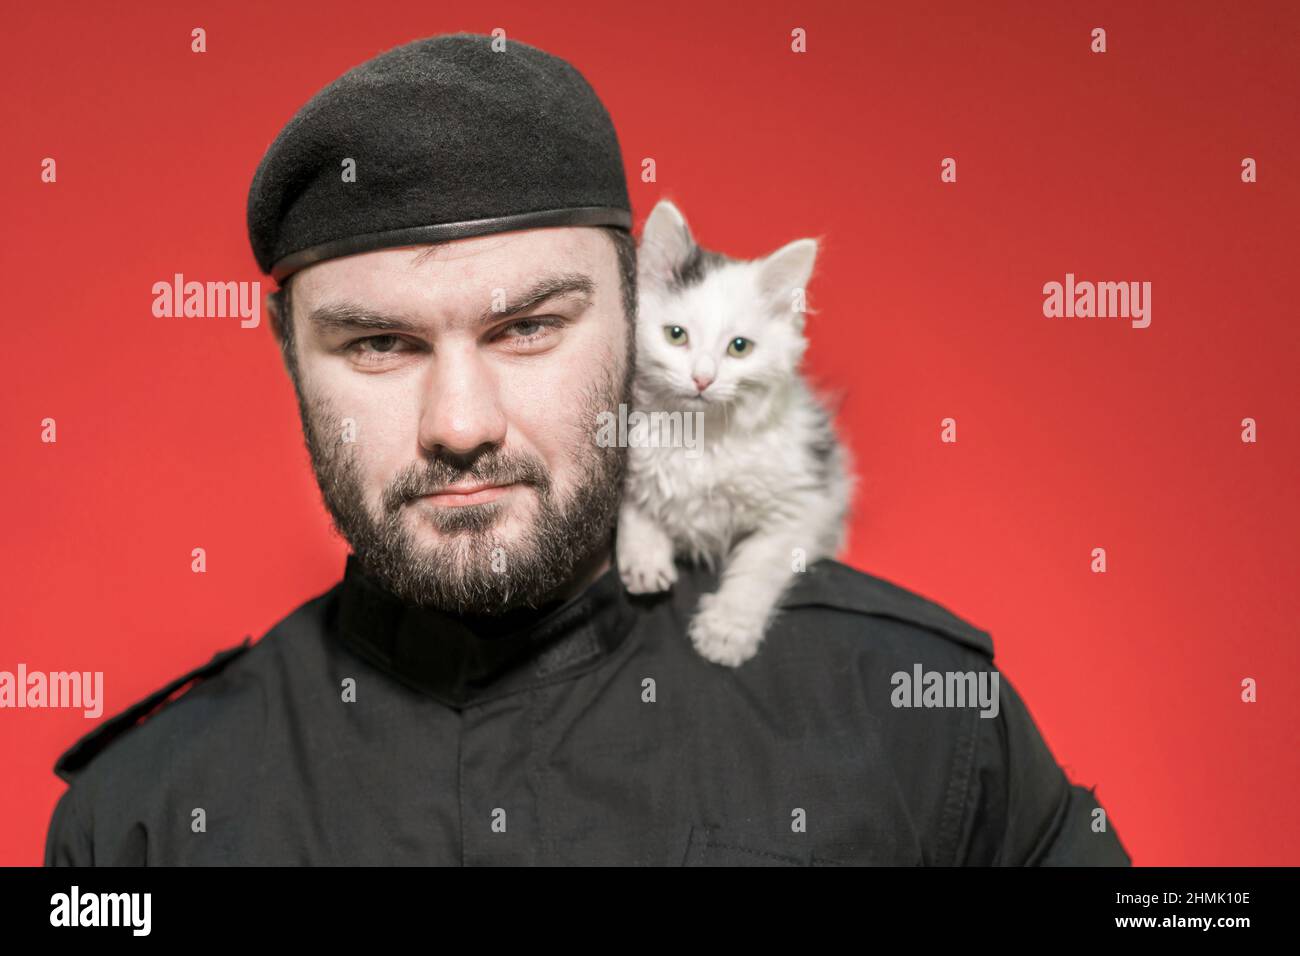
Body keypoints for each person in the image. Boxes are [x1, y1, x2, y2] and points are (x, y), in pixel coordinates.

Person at [44, 32, 1130, 866]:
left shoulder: (914, 713)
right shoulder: (135, 820)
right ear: (288, 349)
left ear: (634, 320)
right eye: (378, 342)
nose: (460, 423)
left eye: (527, 328)